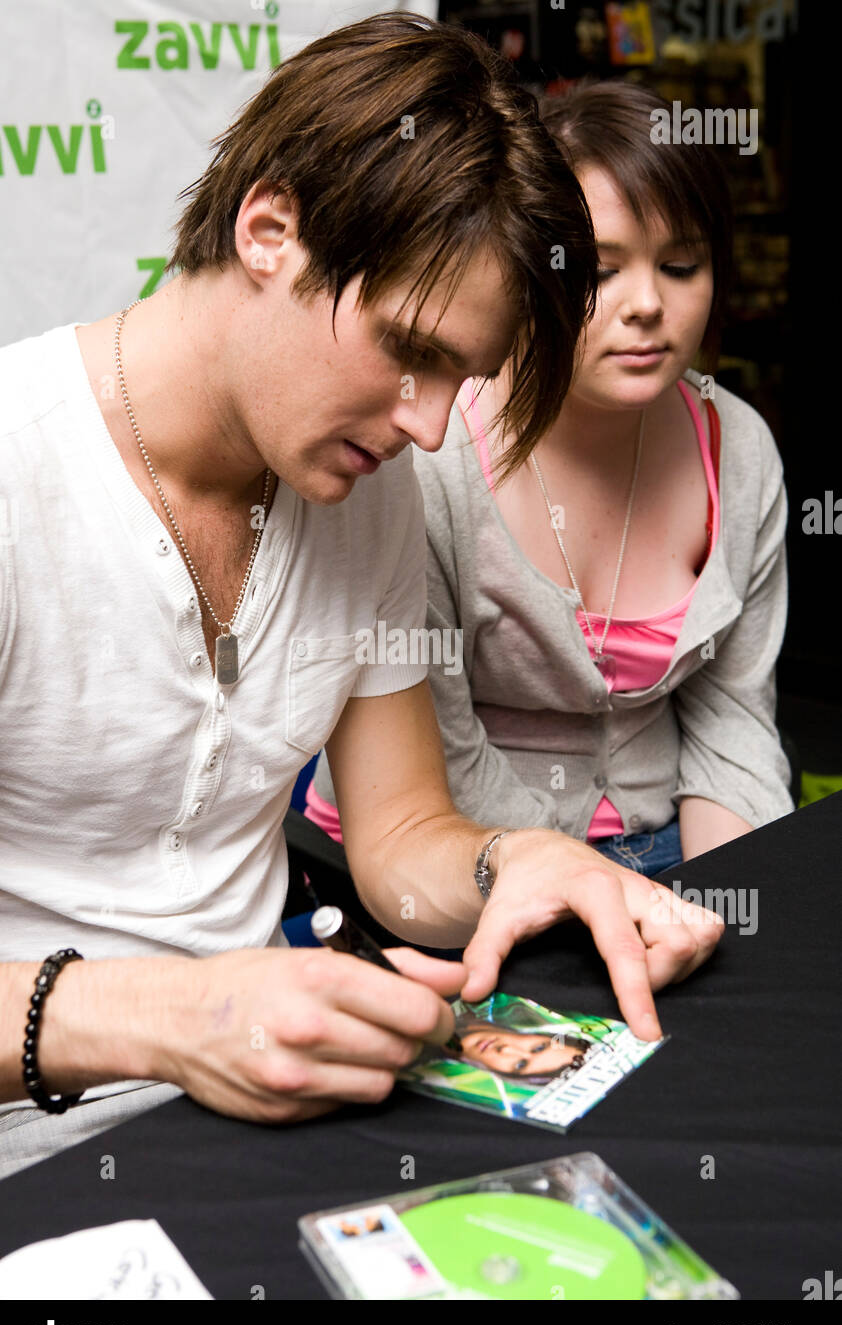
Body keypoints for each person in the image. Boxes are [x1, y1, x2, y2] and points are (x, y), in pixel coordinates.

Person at [0, 22, 721, 1193]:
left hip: (264, 1109)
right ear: (268, 230)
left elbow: (397, 843)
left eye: (461, 382)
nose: (430, 427)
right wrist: (170, 1017)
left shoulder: (364, 489)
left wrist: (508, 864)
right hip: (19, 1145)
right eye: (407, 352)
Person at [307, 79, 793, 878]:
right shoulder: (430, 455)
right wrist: (599, 900)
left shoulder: (738, 449)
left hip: (661, 846)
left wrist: (732, 910)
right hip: (450, 862)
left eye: (680, 265)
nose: (647, 305)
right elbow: (441, 764)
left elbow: (733, 716)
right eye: (599, 271)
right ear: (524, 273)